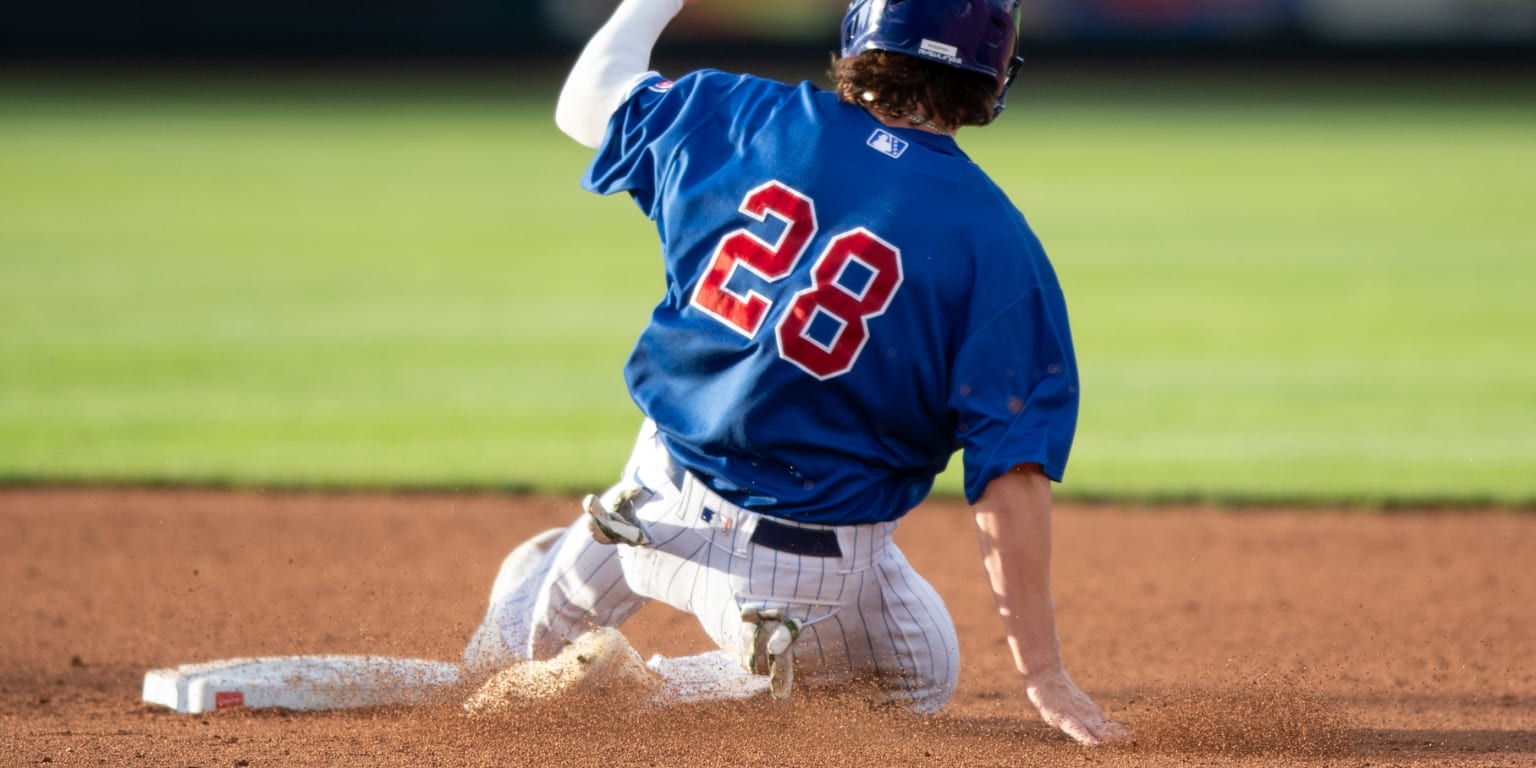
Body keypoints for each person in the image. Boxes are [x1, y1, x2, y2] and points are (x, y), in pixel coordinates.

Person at [462, 0, 1129, 746]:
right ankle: (648, 688)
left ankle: (534, 608)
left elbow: (586, 98)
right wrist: (1043, 674)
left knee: (497, 669)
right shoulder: (997, 242)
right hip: (796, 578)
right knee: (919, 678)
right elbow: (1012, 472)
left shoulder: (738, 112)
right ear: (992, 69)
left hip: (638, 507)